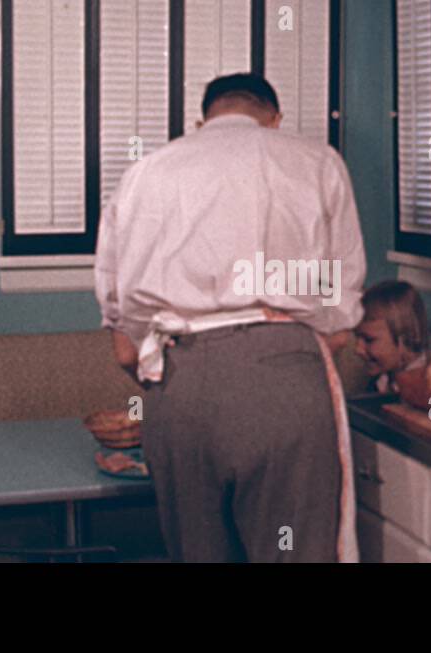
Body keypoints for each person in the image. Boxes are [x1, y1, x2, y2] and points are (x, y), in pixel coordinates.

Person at [94, 73, 366, 562]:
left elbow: (123, 347)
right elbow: (342, 325)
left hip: (178, 384)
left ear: (202, 121)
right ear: (275, 120)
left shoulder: (147, 172)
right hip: (285, 382)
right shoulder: (317, 163)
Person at [354, 280, 431, 394]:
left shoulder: (430, 389)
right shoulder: (380, 379)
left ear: (406, 338)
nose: (358, 350)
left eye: (369, 340)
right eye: (357, 337)